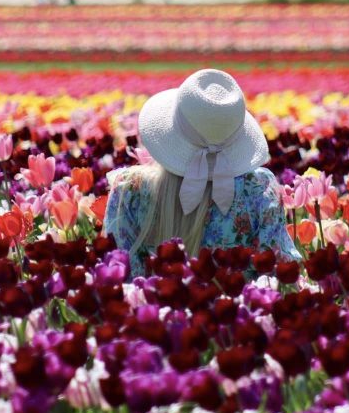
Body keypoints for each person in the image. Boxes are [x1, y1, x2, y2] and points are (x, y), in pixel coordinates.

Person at [104, 69, 300, 274]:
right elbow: (280, 272)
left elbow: (118, 276)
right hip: (235, 306)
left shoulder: (131, 191)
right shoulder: (258, 190)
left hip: (153, 304)